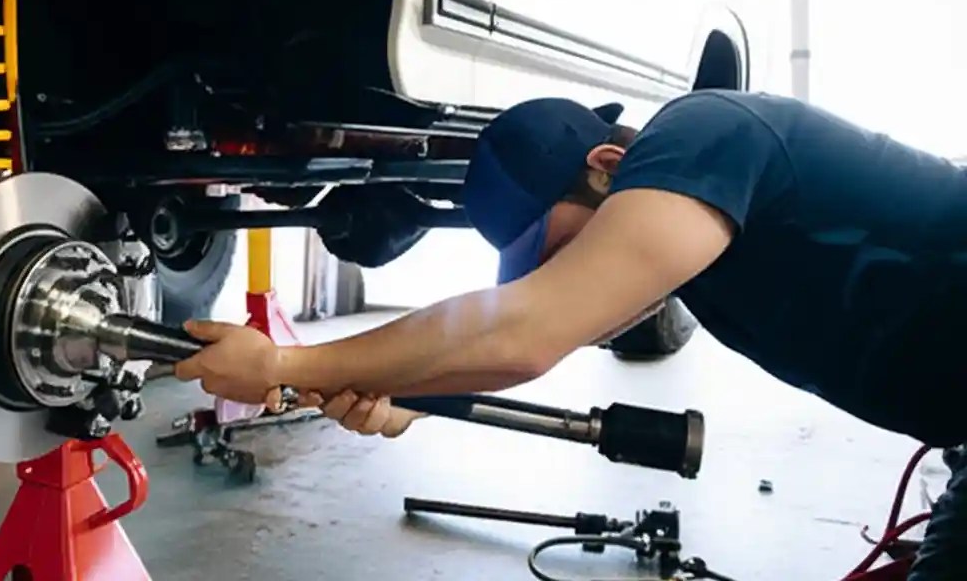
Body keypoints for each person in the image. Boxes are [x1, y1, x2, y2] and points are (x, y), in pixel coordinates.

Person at [175, 90, 967, 578]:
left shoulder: (707, 135)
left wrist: (285, 361)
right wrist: (405, 386)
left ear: (607, 166)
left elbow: (528, 332)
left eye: (557, 248)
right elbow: (549, 327)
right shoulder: (697, 236)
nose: (560, 275)